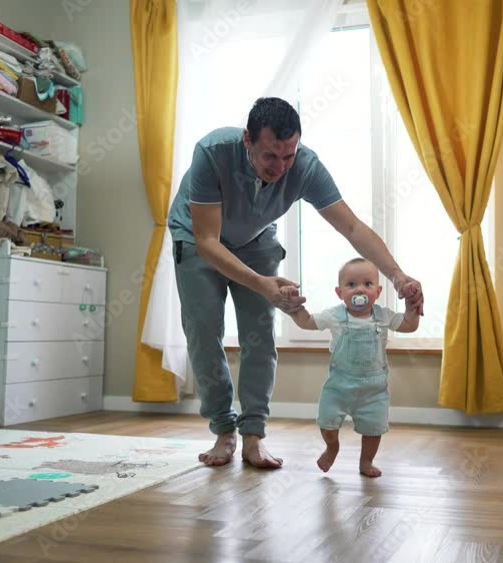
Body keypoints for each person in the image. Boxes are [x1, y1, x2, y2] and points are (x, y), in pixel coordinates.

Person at [168, 97, 424, 469]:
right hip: (196, 239)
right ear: (247, 141)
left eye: (289, 155)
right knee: (203, 331)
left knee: (259, 335)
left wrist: (398, 275)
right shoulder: (212, 152)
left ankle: (253, 435)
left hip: (256, 241)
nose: (281, 167)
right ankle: (224, 431)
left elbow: (352, 227)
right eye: (271, 155)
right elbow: (208, 242)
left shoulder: (304, 166)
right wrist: (262, 283)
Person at [283, 257, 419, 477]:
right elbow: (307, 322)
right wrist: (294, 306)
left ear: (379, 290)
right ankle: (332, 447)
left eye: (367, 284)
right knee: (327, 423)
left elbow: (409, 325)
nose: (360, 290)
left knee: (374, 430)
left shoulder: (382, 316)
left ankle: (366, 461)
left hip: (373, 390)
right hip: (339, 386)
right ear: (340, 292)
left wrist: (411, 306)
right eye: (351, 285)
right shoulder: (334, 316)